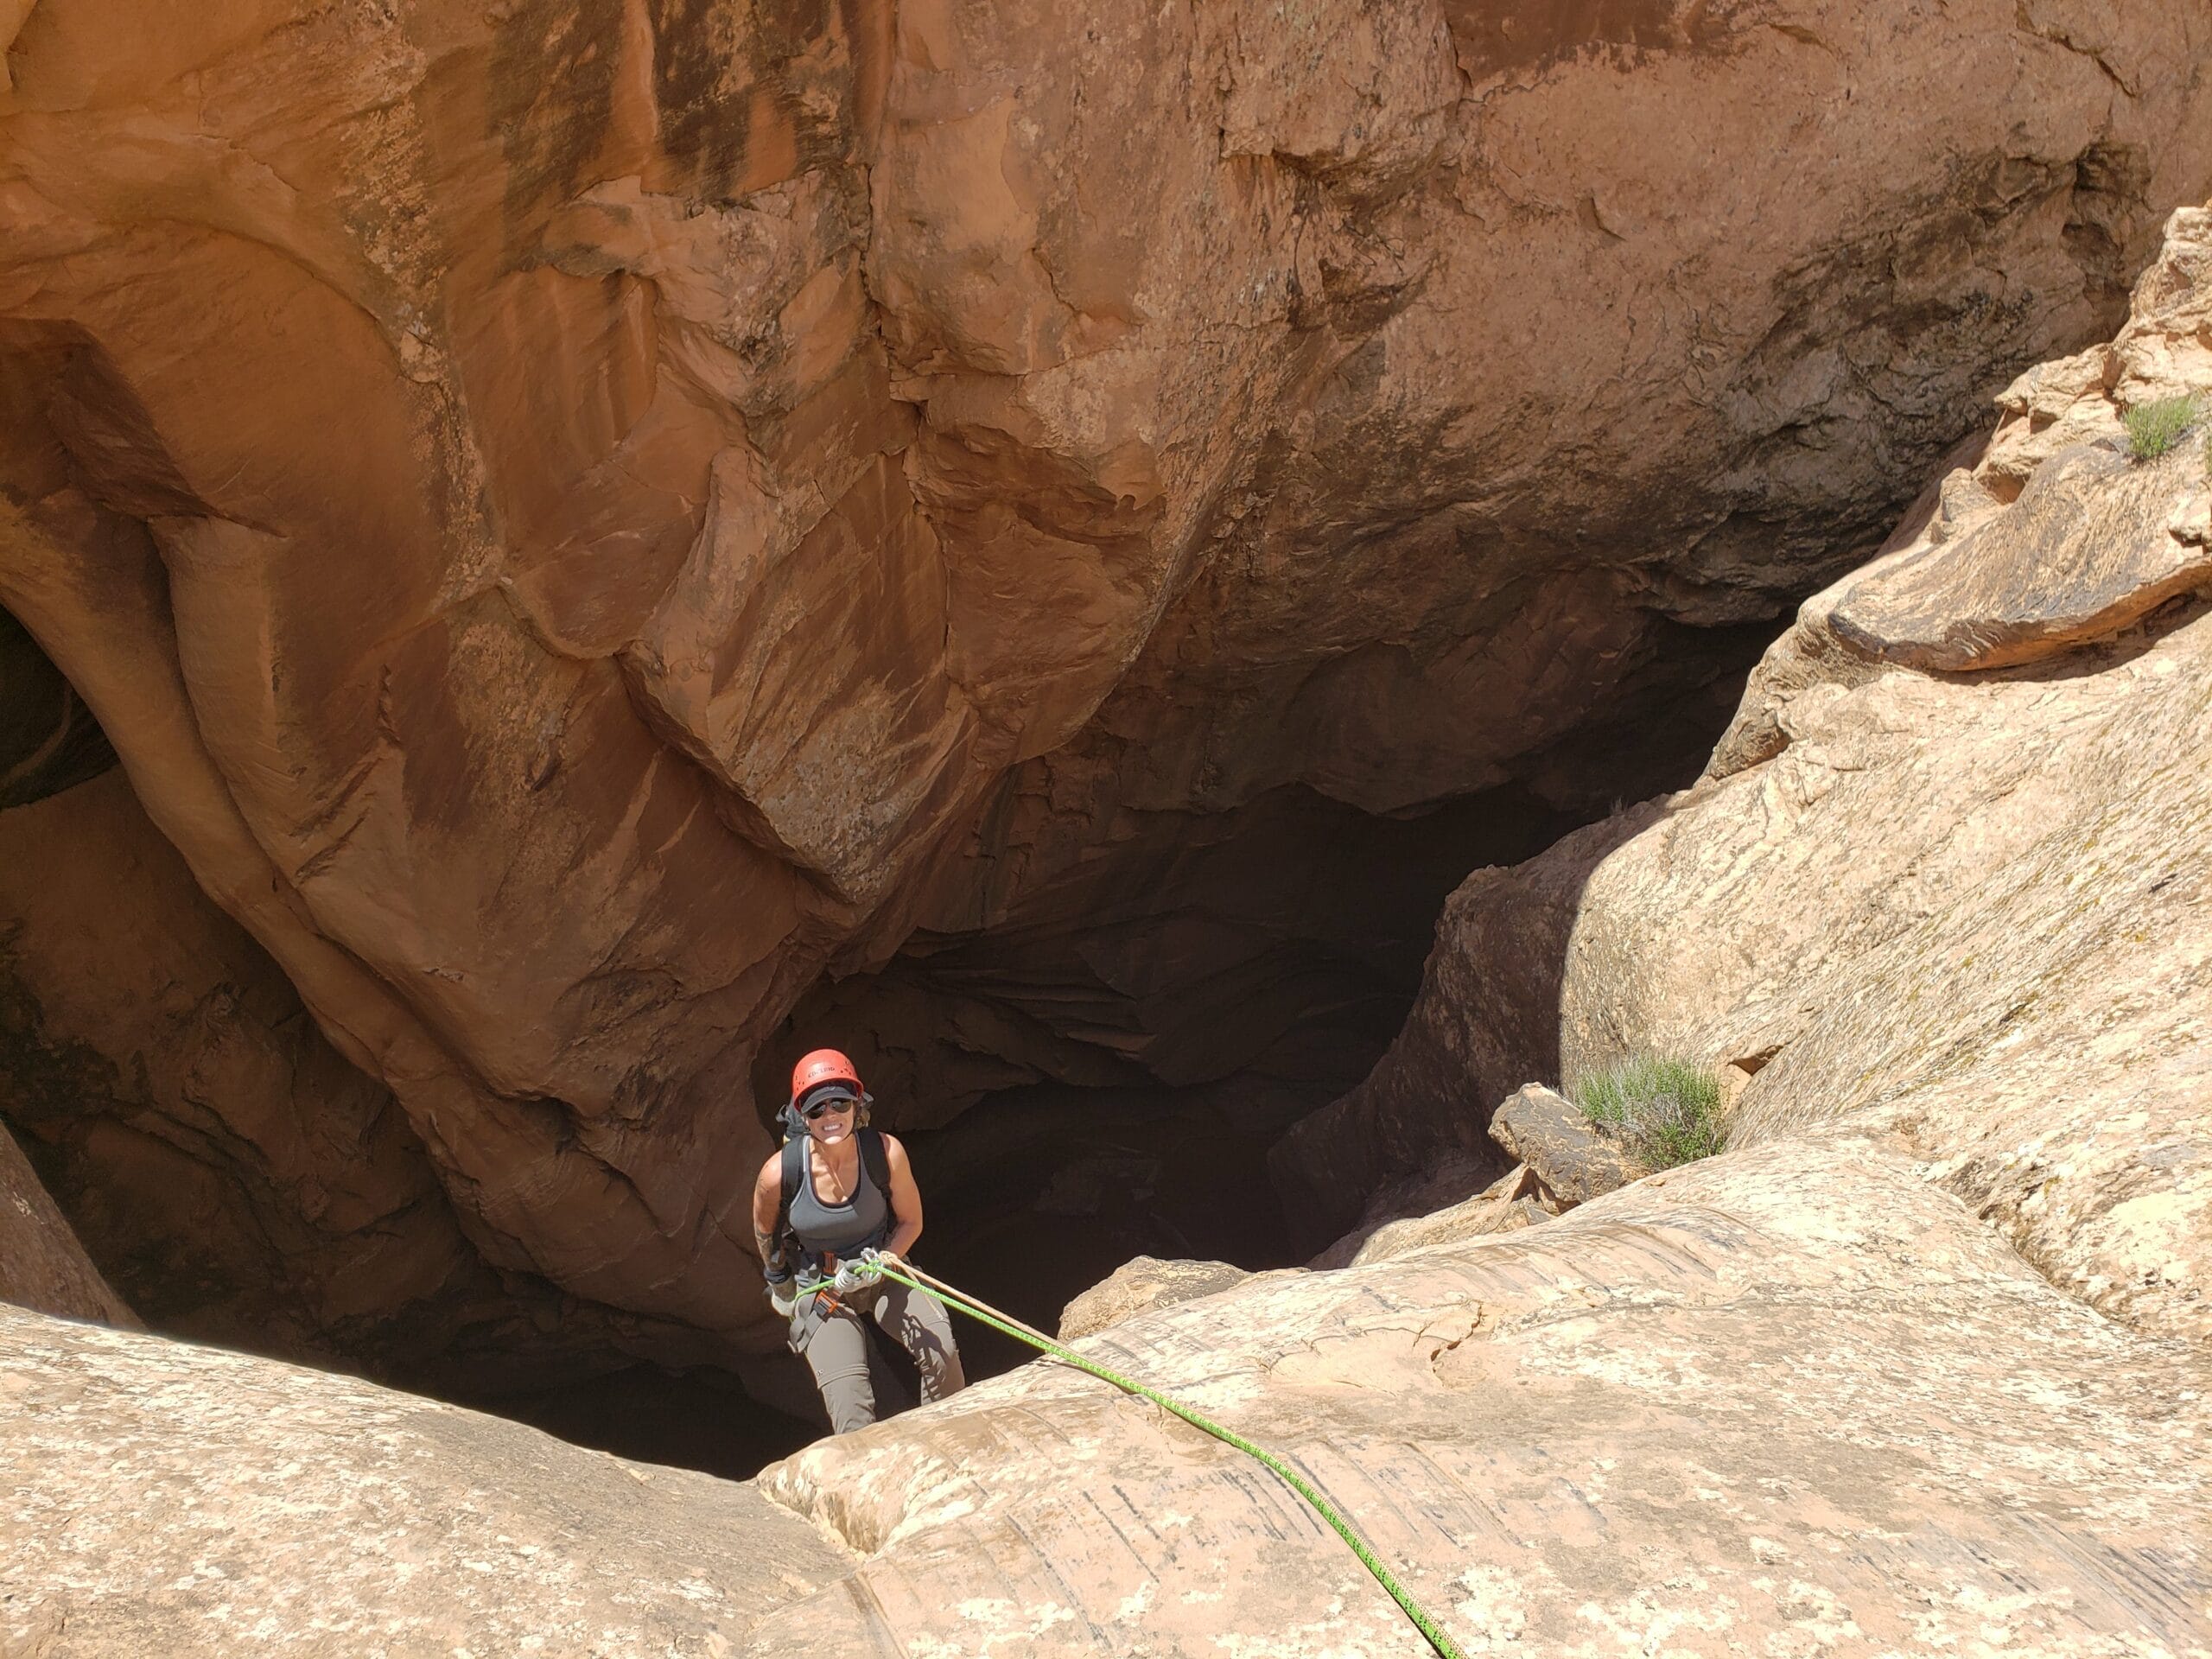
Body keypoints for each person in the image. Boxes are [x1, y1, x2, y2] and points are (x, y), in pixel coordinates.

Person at [750, 1047, 966, 1434]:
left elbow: (911, 1222)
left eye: (839, 1103)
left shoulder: (885, 1153)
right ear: (803, 1116)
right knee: (852, 1412)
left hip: (883, 1267)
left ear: (857, 1106)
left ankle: (945, 1439)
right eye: (817, 1109)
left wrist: (882, 1261)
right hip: (822, 1286)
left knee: (942, 1353)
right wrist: (780, 1283)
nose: (830, 1116)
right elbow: (766, 1232)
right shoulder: (779, 1174)